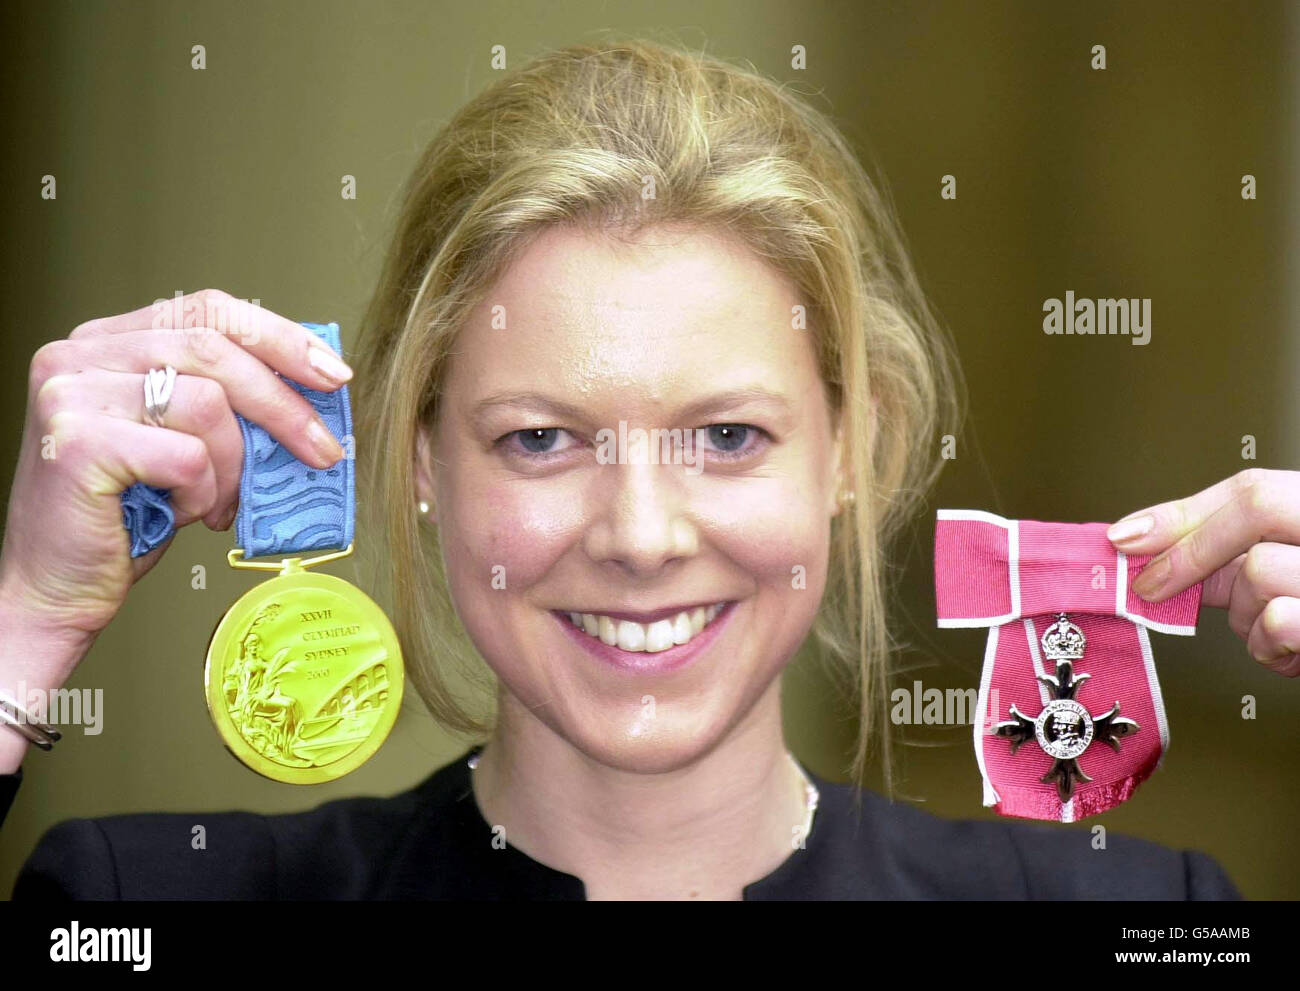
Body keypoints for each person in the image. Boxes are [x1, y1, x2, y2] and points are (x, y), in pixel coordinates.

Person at [0, 38, 1288, 901]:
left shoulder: (1144, 918)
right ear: (413, 458)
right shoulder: (143, 906)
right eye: (540, 439)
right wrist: (21, 631)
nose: (640, 533)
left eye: (728, 436)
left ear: (859, 447)